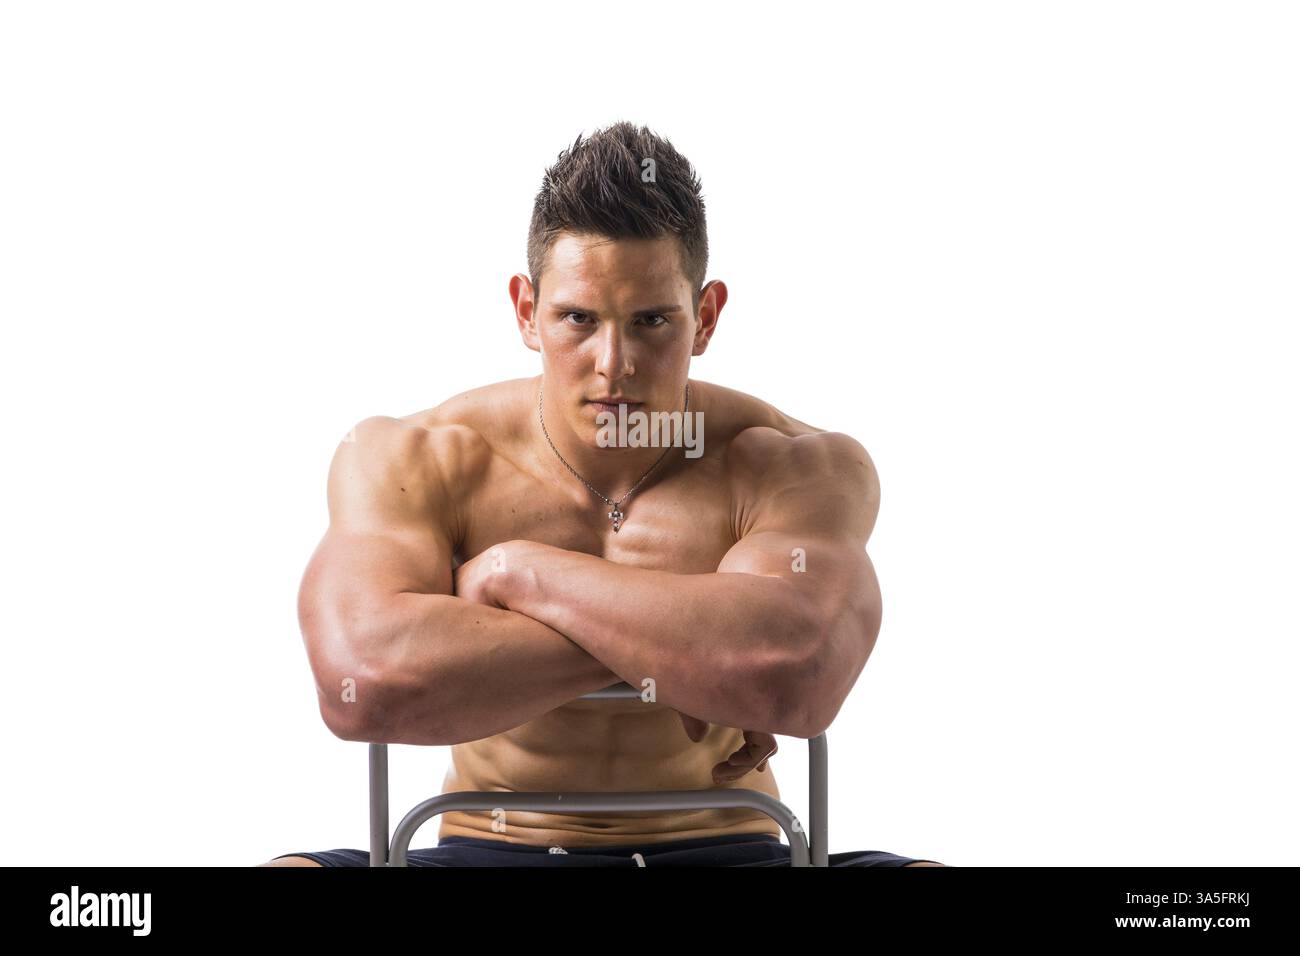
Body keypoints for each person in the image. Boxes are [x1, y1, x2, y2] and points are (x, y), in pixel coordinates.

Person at [259, 122, 944, 867]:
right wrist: (696, 649)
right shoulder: (416, 456)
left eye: (651, 321)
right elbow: (363, 680)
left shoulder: (791, 466)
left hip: (729, 847)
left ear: (705, 317)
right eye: (577, 319)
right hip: (489, 848)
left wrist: (518, 573)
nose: (612, 364)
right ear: (527, 311)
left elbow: (796, 676)